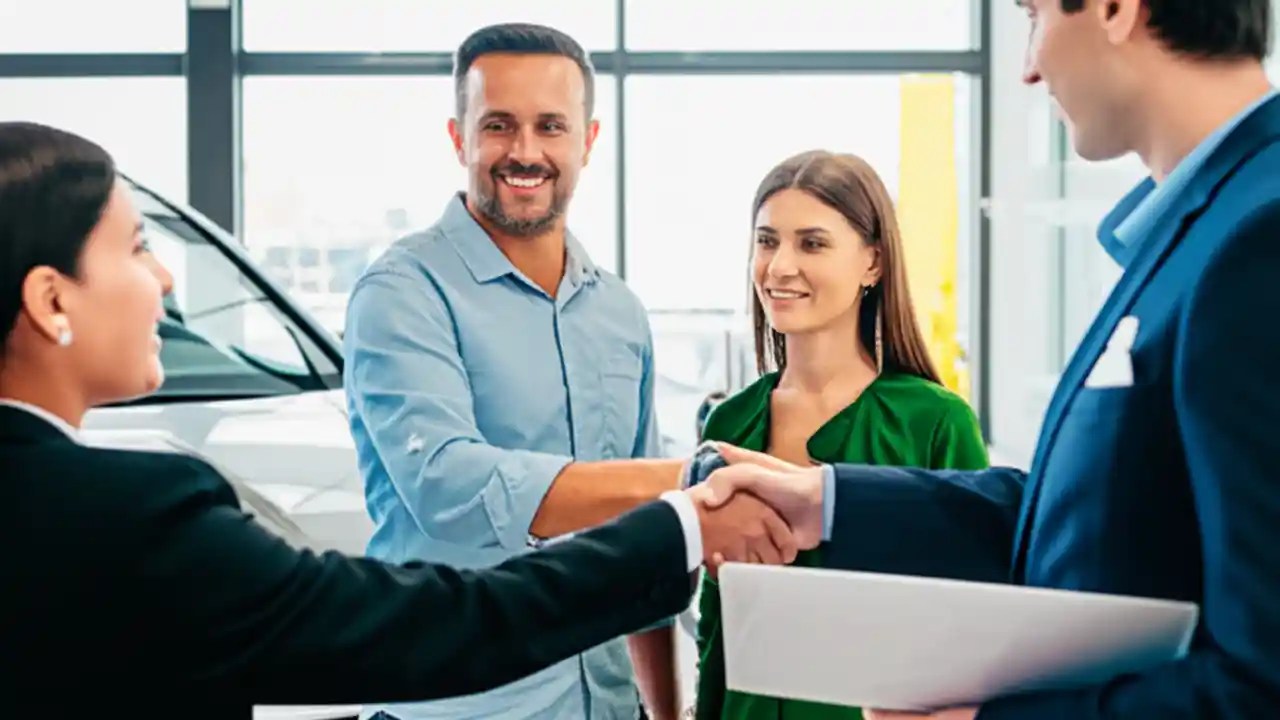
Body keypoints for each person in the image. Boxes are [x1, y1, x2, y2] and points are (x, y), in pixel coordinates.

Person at [0, 122, 798, 718]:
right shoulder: (135, 513)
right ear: (50, 298)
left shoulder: (619, 307)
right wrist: (685, 515)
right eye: (137, 248)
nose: (166, 276)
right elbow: (440, 617)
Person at [699, 0, 1280, 717]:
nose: (1029, 69)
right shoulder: (1199, 228)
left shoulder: (1260, 235)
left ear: (1114, 8)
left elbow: (1266, 677)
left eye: (1034, 15)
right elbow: (1099, 518)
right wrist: (832, 500)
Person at [341, 23, 790, 720]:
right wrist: (687, 481)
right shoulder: (402, 291)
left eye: (551, 126)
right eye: (499, 125)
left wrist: (664, 714)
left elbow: (641, 547)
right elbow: (448, 484)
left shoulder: (619, 312)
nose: (525, 152)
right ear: (460, 139)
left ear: (588, 140)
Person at [659, 151, 988, 720]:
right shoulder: (730, 422)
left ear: (873, 263)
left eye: (811, 243)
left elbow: (976, 622)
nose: (779, 266)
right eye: (767, 241)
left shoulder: (934, 423)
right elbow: (717, 618)